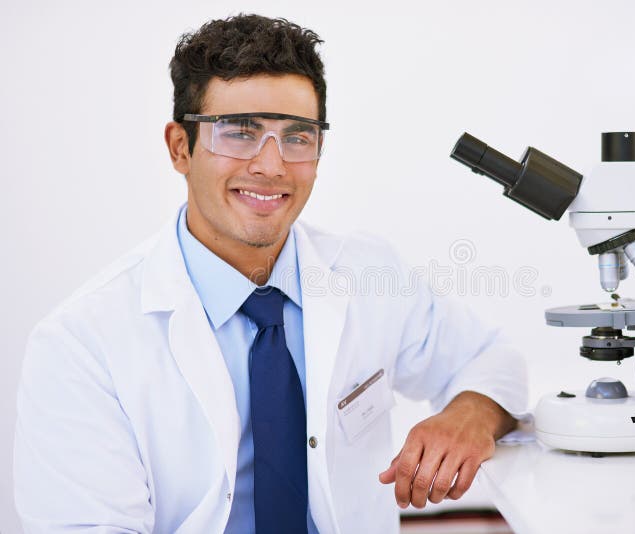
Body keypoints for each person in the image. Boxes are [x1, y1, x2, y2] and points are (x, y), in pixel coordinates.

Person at [14, 14, 528, 534]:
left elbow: (492, 360)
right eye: (240, 133)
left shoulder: (367, 273)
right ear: (180, 148)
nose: (272, 166)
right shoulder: (81, 345)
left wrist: (469, 416)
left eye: (297, 137)